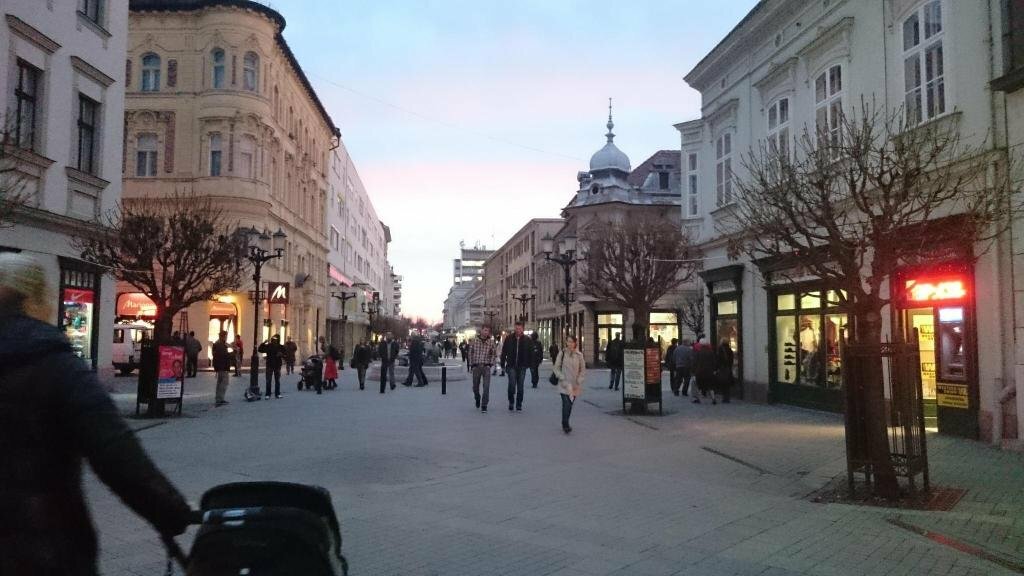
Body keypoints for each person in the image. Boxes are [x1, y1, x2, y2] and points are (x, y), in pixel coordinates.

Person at [0, 253, 192, 575]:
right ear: (37, 299)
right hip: (43, 549)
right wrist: (169, 510)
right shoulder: (56, 365)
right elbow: (116, 453)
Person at [553, 335, 586, 434]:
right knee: (566, 403)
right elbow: (556, 368)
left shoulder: (579, 355)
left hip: (575, 385)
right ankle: (565, 424)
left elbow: (583, 370)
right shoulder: (562, 353)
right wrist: (561, 377)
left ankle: (565, 420)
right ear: (566, 343)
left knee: (570, 405)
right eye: (568, 342)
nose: (570, 344)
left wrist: (579, 380)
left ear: (575, 343)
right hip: (564, 384)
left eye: (572, 342)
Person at [501, 321, 532, 412]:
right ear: (514, 328)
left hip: (522, 366)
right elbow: (504, 352)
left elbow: (530, 353)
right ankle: (511, 401)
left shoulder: (527, 340)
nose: (518, 330)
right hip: (511, 366)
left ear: (522, 329)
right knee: (511, 384)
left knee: (520, 386)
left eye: (520, 328)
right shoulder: (509, 338)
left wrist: (529, 364)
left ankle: (519, 404)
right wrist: (503, 363)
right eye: (516, 328)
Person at [467, 325, 497, 411]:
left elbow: (494, 354)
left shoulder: (491, 342)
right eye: (484, 330)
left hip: (486, 367)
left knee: (486, 387)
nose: (486, 332)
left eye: (487, 331)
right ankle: (477, 397)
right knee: (475, 387)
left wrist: (490, 364)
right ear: (481, 331)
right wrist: (472, 365)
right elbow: (470, 353)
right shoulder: (474, 341)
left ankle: (484, 405)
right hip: (476, 366)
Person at [258, 334, 285, 399]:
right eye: (273, 339)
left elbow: (285, 354)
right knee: (268, 380)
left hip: (277, 365)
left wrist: (281, 354)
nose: (274, 340)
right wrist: (263, 343)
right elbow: (260, 350)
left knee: (277, 380)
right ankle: (268, 394)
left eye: (276, 339)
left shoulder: (281, 347)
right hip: (270, 364)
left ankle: (277, 393)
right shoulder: (269, 346)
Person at [693, 338, 717, 404]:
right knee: (711, 386)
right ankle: (713, 399)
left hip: (700, 372)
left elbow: (695, 362)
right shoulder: (711, 352)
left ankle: (698, 399)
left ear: (700, 344)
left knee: (700, 386)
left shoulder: (698, 352)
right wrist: (714, 370)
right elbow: (714, 362)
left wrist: (694, 372)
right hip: (709, 372)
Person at [211, 330, 232, 406]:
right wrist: (233, 353)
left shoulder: (218, 344)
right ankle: (220, 399)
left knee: (220, 383)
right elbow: (224, 355)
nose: (226, 338)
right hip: (222, 366)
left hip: (220, 366)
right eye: (225, 336)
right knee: (224, 383)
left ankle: (218, 398)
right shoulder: (220, 344)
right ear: (223, 336)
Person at [715, 339, 735, 404]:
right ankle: (727, 397)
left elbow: (718, 360)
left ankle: (724, 397)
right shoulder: (730, 350)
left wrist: (716, 368)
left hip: (722, 369)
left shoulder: (720, 350)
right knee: (727, 383)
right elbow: (731, 360)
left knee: (723, 382)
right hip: (728, 369)